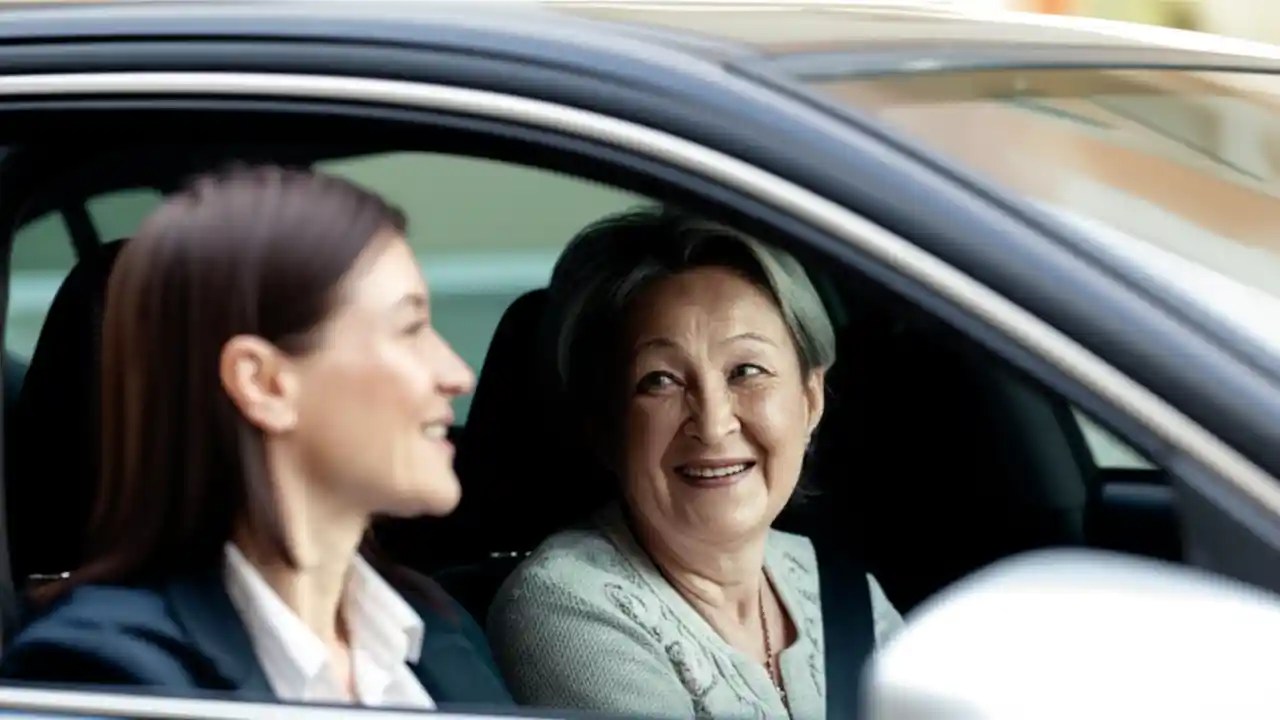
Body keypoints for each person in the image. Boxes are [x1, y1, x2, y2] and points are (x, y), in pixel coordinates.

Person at [0, 165, 513, 710]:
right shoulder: (107, 678)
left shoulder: (429, 630)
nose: (457, 372)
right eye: (409, 329)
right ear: (264, 383)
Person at [487, 207, 904, 719]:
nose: (712, 423)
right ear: (605, 424)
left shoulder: (842, 592)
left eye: (747, 371)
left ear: (811, 399)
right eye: (660, 380)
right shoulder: (566, 604)